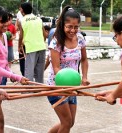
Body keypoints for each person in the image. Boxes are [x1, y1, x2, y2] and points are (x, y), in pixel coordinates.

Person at [47, 5, 90, 133]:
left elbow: (84, 59)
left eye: (76, 27)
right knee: (66, 123)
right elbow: (56, 67)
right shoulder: (56, 42)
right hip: (56, 86)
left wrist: (85, 77)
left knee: (70, 122)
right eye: (69, 27)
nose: (73, 30)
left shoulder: (80, 39)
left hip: (72, 85)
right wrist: (64, 86)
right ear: (63, 26)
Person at [18, 2, 46, 83]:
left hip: (31, 48)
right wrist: (40, 42)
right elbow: (44, 34)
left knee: (29, 70)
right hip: (41, 47)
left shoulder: (22, 21)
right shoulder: (38, 19)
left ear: (22, 11)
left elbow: (21, 36)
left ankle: (28, 89)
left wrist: (19, 46)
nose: (20, 10)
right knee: (40, 70)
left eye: (20, 9)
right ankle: (39, 88)